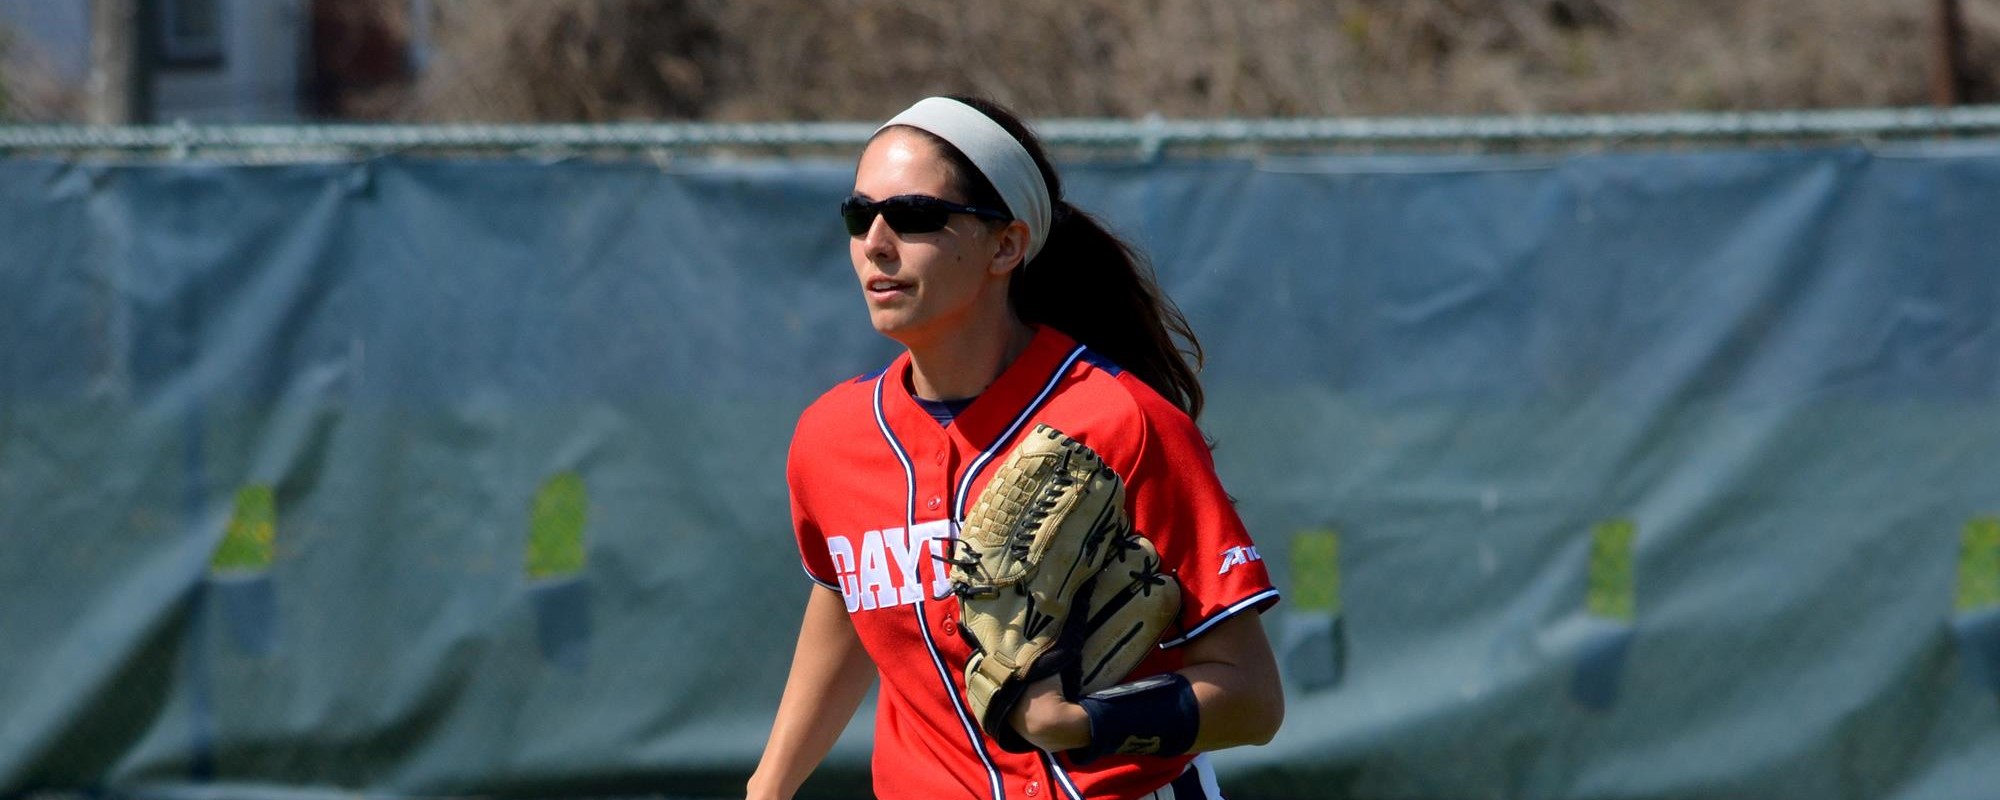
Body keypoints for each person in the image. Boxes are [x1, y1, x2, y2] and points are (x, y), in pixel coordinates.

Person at [748, 96, 1283, 800]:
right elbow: (851, 603)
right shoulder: (832, 438)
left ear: (1006, 245)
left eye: (913, 216)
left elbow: (1254, 699)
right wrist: (768, 788)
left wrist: (1085, 721)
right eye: (859, 216)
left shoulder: (1120, 422)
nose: (876, 243)